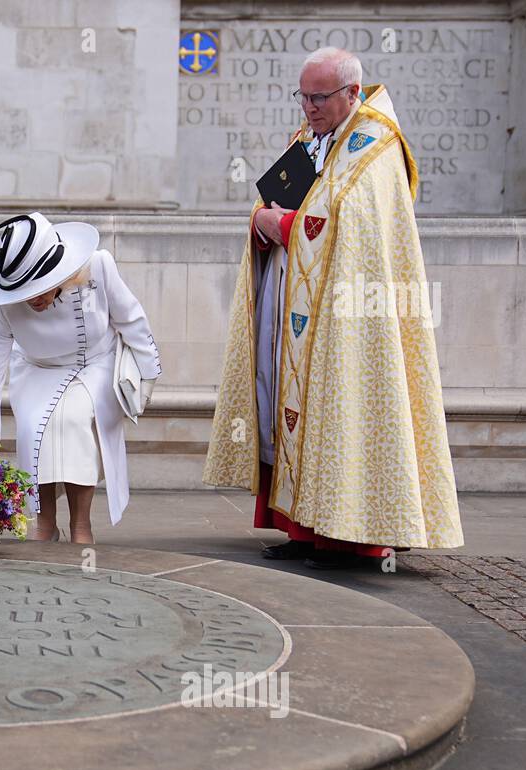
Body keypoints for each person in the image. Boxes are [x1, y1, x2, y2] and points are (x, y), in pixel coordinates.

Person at [203, 47, 463, 569]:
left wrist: (280, 226)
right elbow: (280, 197)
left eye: (319, 97)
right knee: (289, 402)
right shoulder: (310, 138)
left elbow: (353, 226)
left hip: (349, 319)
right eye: (302, 95)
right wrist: (260, 220)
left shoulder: (376, 146)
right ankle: (299, 527)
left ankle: (351, 535)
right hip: (292, 299)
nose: (309, 107)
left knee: (343, 403)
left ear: (351, 93)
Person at [0, 213, 162, 544]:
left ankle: (81, 525)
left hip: (94, 364)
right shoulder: (3, 306)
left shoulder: (99, 265)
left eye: (40, 285)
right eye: (24, 290)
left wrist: (148, 375)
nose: (33, 298)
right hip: (35, 369)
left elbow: (132, 319)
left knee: (72, 418)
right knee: (35, 425)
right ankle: (45, 523)